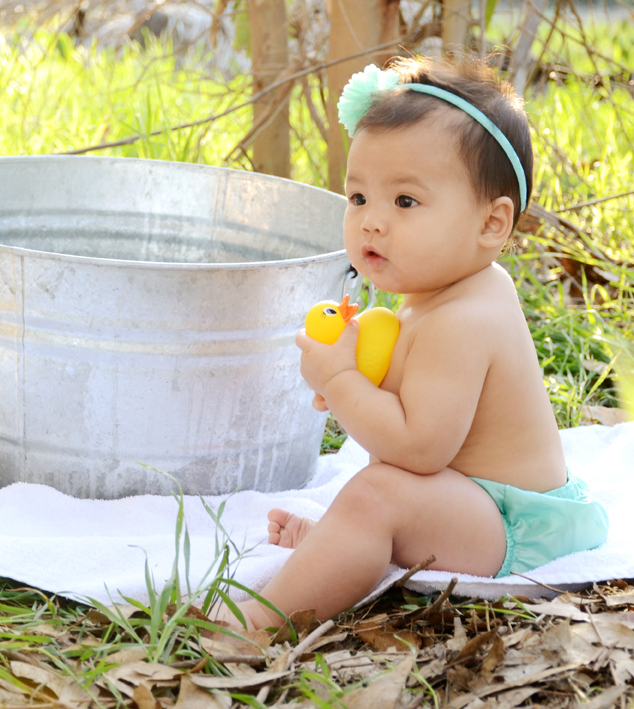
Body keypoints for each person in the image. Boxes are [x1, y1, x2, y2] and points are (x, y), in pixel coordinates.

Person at [215, 58, 609, 631]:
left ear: (492, 224)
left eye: (405, 202)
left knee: (378, 495)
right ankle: (339, 548)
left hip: (511, 524)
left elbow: (419, 449)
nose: (372, 222)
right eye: (358, 199)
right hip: (474, 502)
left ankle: (260, 626)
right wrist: (359, 370)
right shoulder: (448, 287)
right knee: (374, 500)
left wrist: (341, 382)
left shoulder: (462, 319)